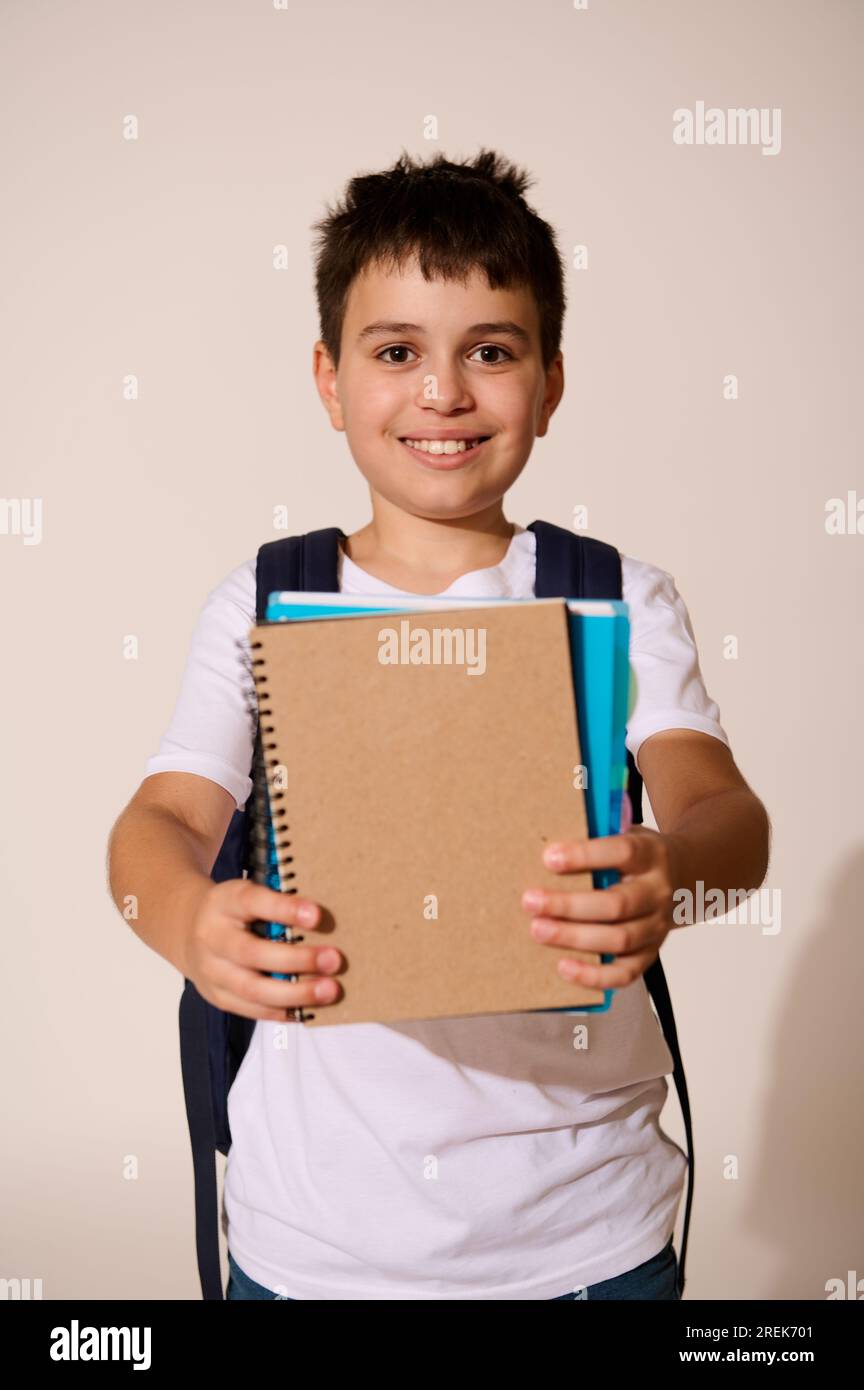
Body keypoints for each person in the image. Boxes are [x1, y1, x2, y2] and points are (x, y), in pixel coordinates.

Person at [107, 148, 770, 1301]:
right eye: (397, 351)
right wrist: (184, 917)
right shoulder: (262, 602)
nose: (443, 393)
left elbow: (728, 817)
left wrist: (675, 866)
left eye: (493, 353)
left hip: (585, 1231)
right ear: (329, 380)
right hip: (310, 1239)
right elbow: (160, 819)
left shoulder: (614, 597)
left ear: (551, 384)